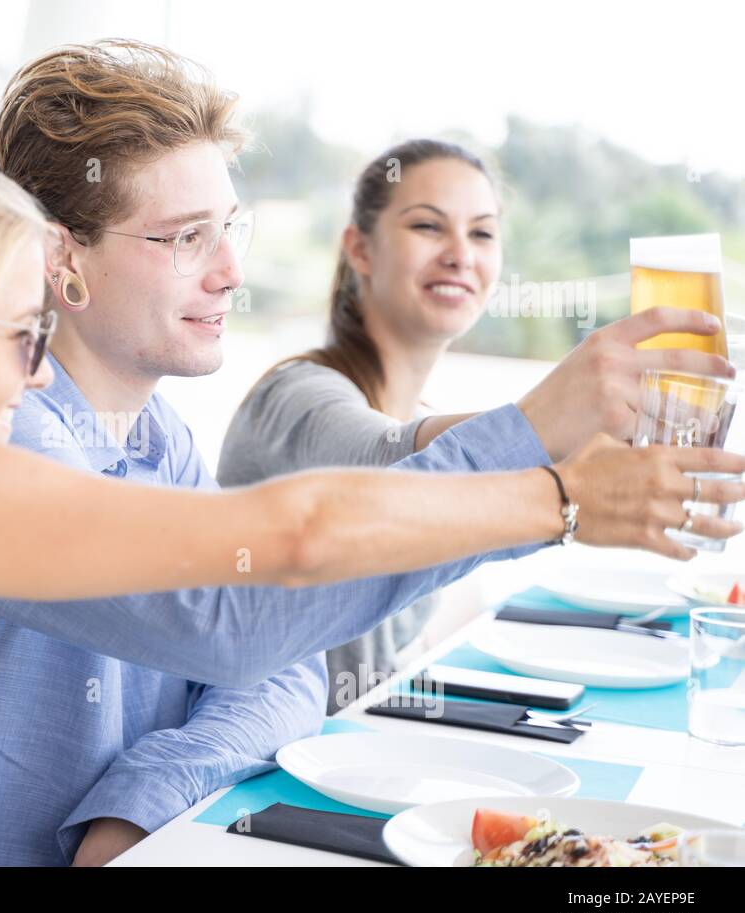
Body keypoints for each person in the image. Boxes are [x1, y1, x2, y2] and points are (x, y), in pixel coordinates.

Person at [0, 41, 740, 868]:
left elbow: (281, 668)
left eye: (229, 229)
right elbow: (232, 628)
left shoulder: (155, 434)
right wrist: (544, 472)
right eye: (184, 239)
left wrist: (140, 804)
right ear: (62, 257)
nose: (230, 272)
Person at [219, 137, 736, 714]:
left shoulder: (416, 411)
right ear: (360, 249)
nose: (460, 254)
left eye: (482, 233)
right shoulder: (293, 396)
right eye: (427, 227)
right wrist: (551, 423)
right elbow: (393, 472)